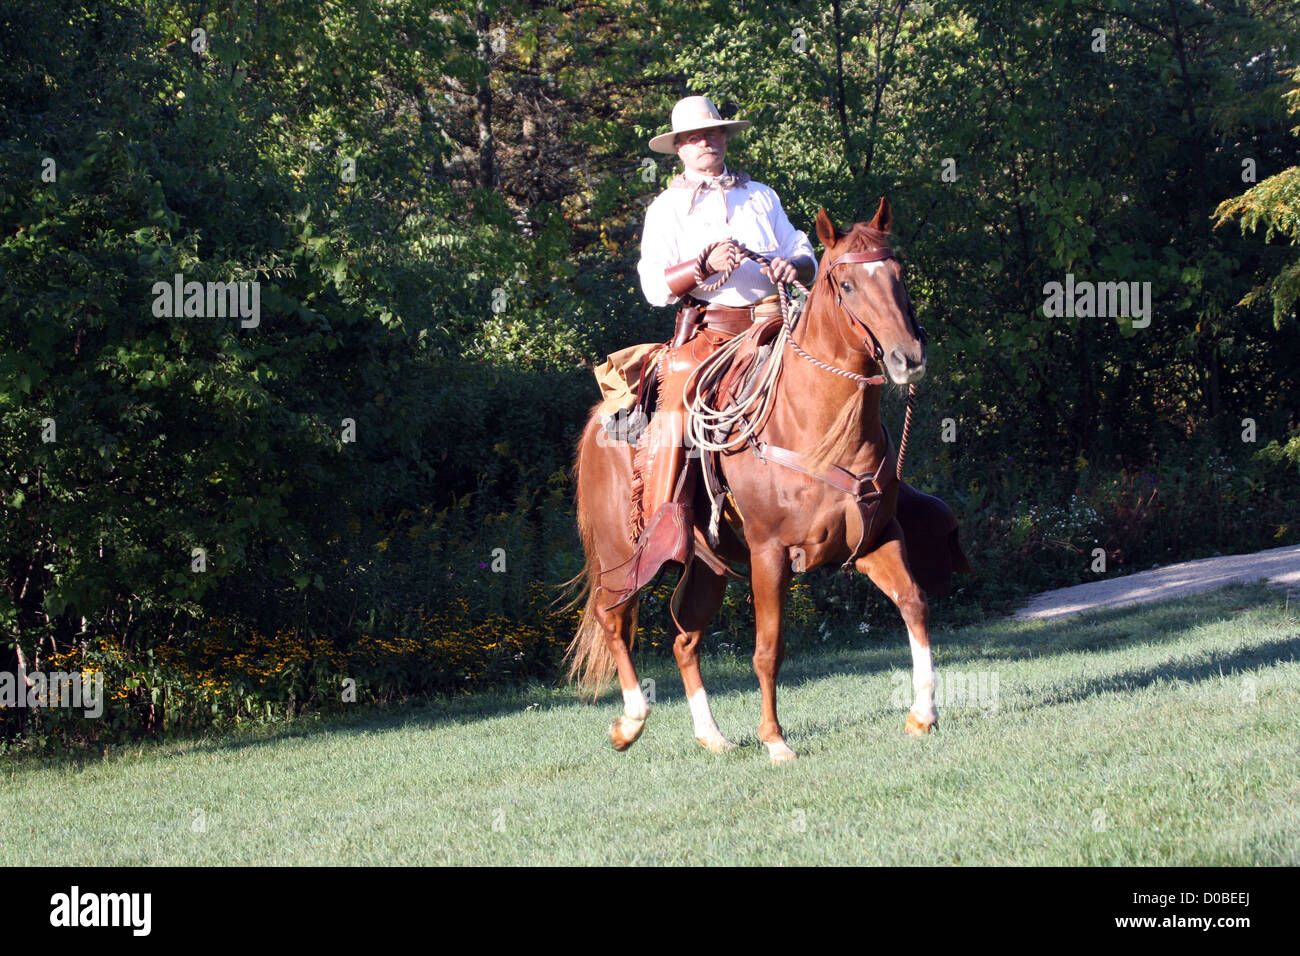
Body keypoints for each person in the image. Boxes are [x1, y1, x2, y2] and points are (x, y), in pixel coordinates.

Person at [605, 95, 817, 609]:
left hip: (776, 321)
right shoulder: (665, 209)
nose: (708, 142)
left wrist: (795, 267)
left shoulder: (762, 196)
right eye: (696, 137)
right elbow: (656, 287)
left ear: (725, 138)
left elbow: (802, 247)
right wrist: (701, 265)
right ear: (679, 147)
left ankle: (859, 500)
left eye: (715, 133)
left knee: (837, 372)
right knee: (675, 393)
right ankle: (666, 521)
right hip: (711, 331)